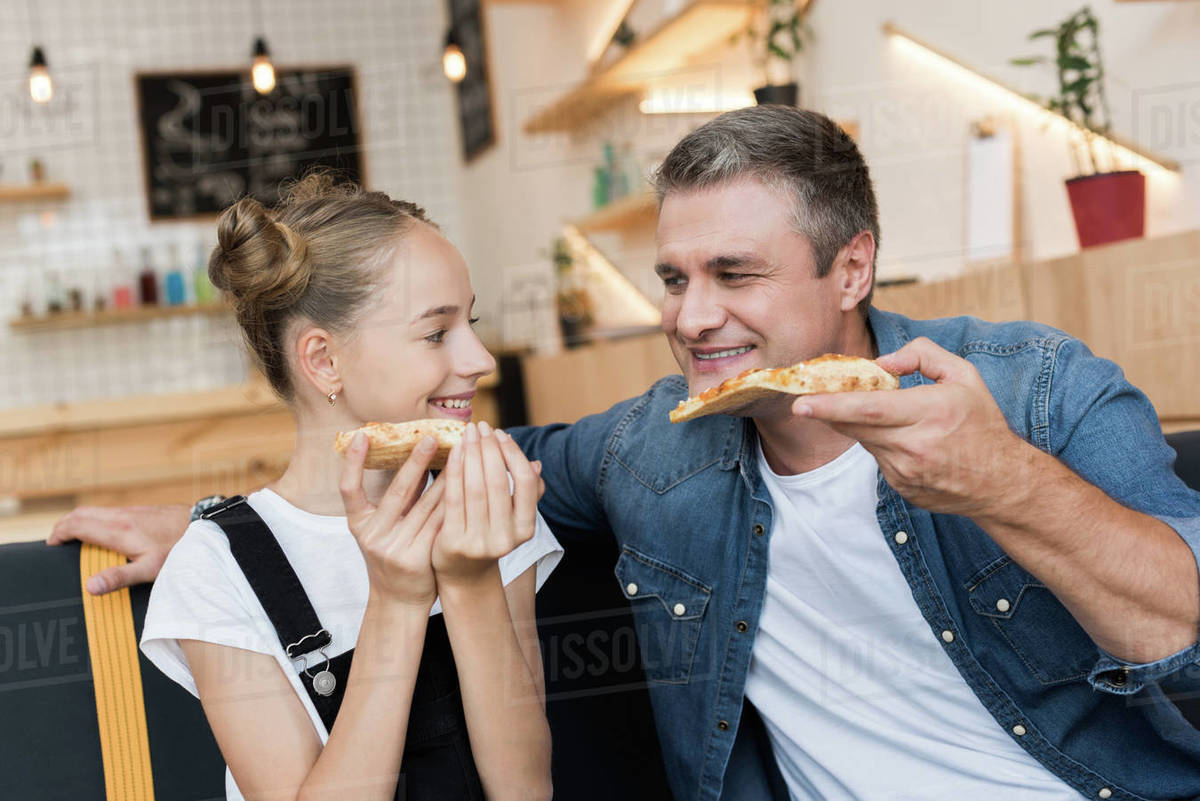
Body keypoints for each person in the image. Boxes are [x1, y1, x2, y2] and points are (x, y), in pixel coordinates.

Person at [52, 107, 1200, 801]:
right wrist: (208, 523)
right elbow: (466, 453)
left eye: (735, 276)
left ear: (851, 269)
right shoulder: (657, 447)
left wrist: (1006, 484)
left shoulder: (1036, 393)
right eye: (673, 278)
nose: (692, 319)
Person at [129, 175, 561, 801]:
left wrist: (470, 583)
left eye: (470, 322)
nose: (481, 359)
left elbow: (525, 789)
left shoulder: (484, 504)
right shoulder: (214, 569)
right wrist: (397, 602)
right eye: (436, 333)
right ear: (324, 361)